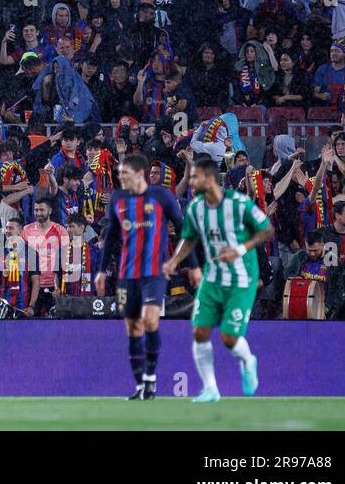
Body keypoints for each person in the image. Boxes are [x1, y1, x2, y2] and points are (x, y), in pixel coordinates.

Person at [164, 155, 275, 402]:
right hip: (213, 278)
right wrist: (174, 260)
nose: (190, 181)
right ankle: (211, 389)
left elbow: (267, 229)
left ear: (210, 177)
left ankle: (248, 361)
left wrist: (240, 249)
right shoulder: (196, 208)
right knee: (200, 332)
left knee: (228, 337)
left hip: (241, 279)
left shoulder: (238, 203)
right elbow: (189, 238)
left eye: (195, 176)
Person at [96, 153, 187, 400]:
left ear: (138, 174)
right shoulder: (117, 198)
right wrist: (102, 271)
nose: (120, 178)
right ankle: (140, 385)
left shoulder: (161, 196)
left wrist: (185, 262)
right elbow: (112, 236)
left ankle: (150, 378)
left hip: (154, 273)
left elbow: (184, 230)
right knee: (133, 328)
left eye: (124, 174)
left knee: (150, 321)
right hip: (127, 275)